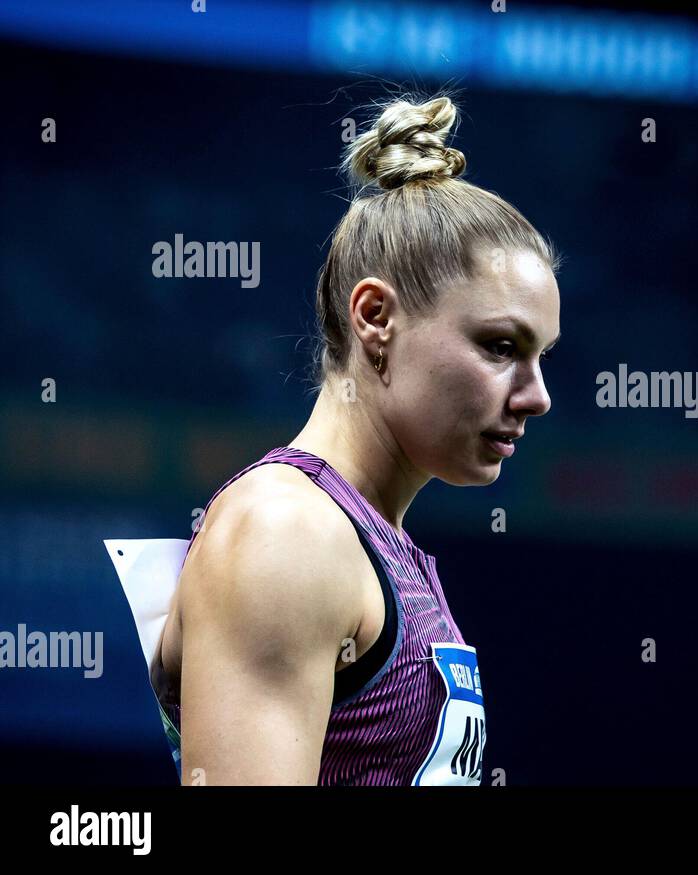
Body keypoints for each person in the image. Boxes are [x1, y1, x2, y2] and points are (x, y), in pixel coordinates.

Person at [152, 92, 562, 785]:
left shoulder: (377, 547)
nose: (537, 395)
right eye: (500, 346)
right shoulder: (286, 531)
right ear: (375, 317)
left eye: (542, 356)